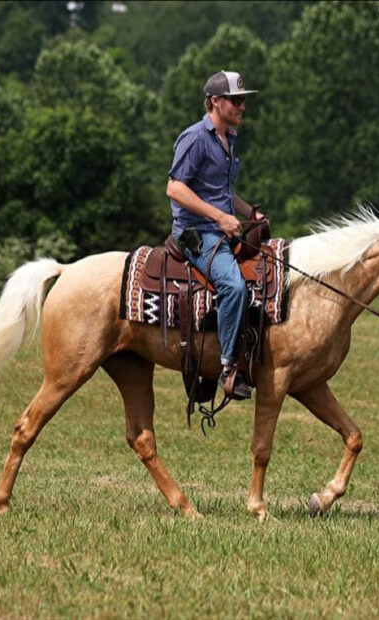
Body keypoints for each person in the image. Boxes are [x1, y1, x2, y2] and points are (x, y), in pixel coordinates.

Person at [165, 70, 260, 400]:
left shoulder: (228, 138)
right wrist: (221, 218)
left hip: (221, 228)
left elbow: (221, 191)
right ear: (216, 102)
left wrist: (250, 214)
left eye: (243, 100)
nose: (242, 107)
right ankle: (228, 366)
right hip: (198, 233)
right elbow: (175, 188)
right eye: (236, 101)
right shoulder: (195, 138)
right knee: (233, 286)